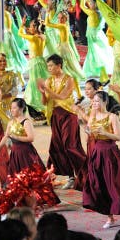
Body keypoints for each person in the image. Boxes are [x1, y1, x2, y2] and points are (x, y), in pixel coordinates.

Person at [82, 90, 120, 229]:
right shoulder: (92, 117)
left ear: (105, 102)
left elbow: (118, 137)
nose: (94, 104)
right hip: (97, 153)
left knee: (117, 184)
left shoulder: (112, 117)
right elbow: (89, 137)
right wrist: (89, 133)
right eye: (93, 101)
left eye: (97, 101)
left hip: (111, 153)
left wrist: (105, 133)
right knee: (102, 186)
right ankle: (110, 217)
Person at [40, 54, 87, 190]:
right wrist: (43, 93)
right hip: (56, 115)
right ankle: (71, 177)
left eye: (51, 66)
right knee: (58, 146)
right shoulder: (49, 81)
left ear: (59, 65)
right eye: (48, 66)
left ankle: (86, 173)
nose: (49, 68)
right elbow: (45, 102)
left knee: (70, 145)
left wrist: (46, 89)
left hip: (68, 115)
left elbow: (62, 96)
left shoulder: (69, 79)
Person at [0, 98, 45, 177]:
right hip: (15, 152)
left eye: (14, 108)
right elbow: (6, 136)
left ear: (21, 108)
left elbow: (31, 138)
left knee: (29, 176)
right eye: (11, 108)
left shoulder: (26, 122)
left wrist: (16, 137)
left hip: (26, 152)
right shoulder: (11, 122)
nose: (11, 110)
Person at [44, 11, 87, 101]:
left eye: (62, 18)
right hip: (62, 49)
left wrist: (47, 12)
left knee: (68, 72)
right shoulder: (63, 26)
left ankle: (73, 94)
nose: (60, 19)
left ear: (66, 18)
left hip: (64, 50)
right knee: (67, 72)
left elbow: (47, 23)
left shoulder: (63, 26)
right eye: (59, 18)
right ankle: (77, 95)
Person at [18, 18, 49, 115]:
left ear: (35, 27)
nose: (29, 28)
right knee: (40, 83)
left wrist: (22, 25)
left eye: (31, 26)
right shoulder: (43, 36)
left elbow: (20, 34)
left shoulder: (34, 38)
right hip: (41, 61)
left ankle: (36, 105)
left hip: (35, 63)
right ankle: (41, 105)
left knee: (34, 84)